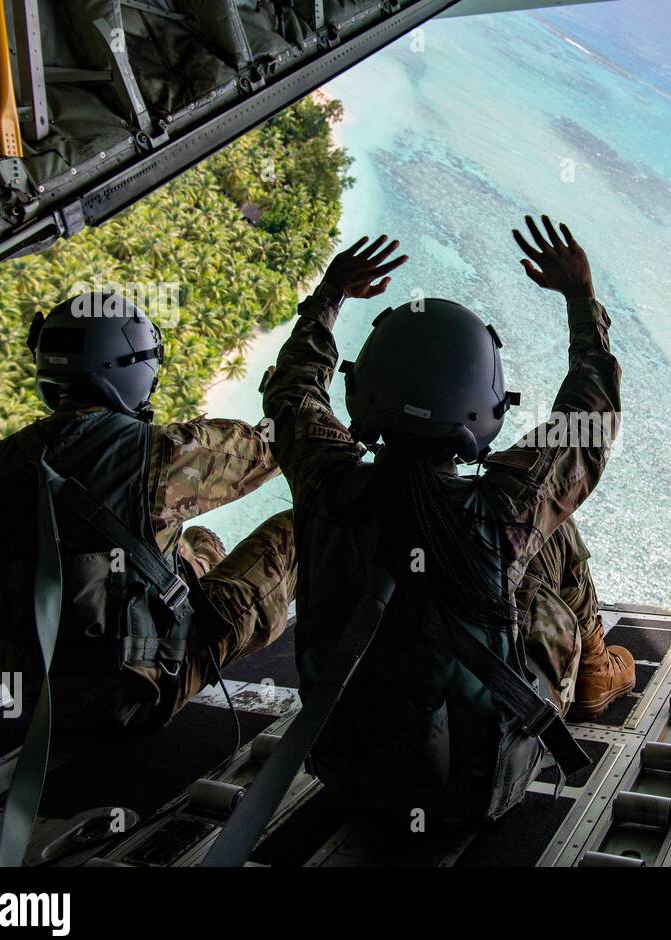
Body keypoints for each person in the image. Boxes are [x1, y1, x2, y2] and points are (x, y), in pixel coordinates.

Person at [262, 220, 630, 833]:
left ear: (364, 387)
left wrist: (330, 297)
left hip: (348, 775)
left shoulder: (324, 482)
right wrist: (580, 301)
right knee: (554, 535)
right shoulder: (510, 503)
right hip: (481, 794)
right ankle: (593, 671)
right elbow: (591, 415)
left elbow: (293, 393)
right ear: (487, 405)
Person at [0, 291, 296, 734]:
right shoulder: (164, 455)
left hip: (35, 701)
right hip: (144, 694)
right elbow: (277, 448)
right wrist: (280, 401)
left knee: (200, 542)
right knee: (299, 528)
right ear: (136, 372)